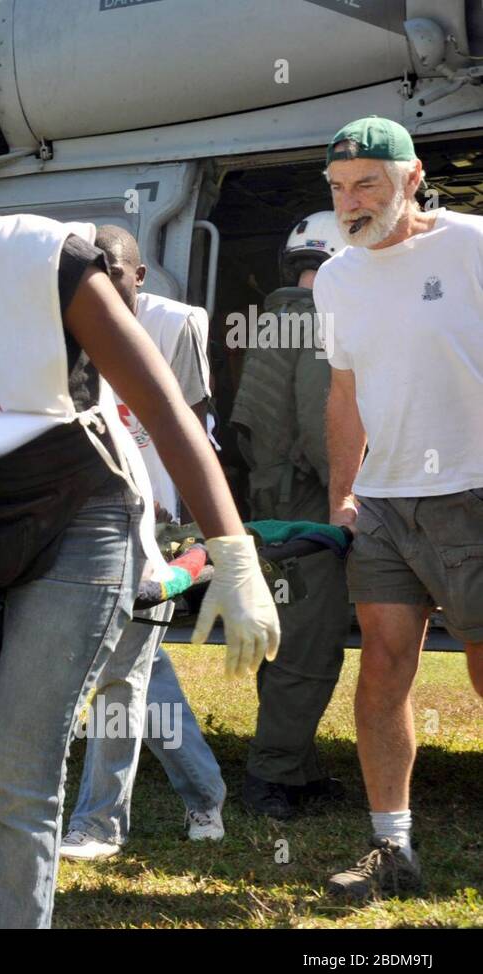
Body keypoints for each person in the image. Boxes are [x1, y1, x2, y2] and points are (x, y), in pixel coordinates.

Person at [0, 81, 279, 928]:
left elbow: (169, 411)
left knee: (16, 774)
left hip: (81, 529)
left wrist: (235, 555)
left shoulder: (45, 258)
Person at [316, 116, 483, 902]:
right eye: (340, 188)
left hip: (474, 489)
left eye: (367, 185)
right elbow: (345, 391)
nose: (351, 204)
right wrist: (341, 494)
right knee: (382, 667)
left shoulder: (471, 245)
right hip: (385, 502)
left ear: (412, 178)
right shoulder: (337, 277)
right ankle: (393, 849)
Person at [60, 225, 227, 860]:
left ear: (142, 276)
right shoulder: (66, 319)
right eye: (92, 275)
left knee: (122, 675)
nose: (103, 286)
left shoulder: (175, 325)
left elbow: (194, 430)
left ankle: (100, 823)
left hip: (156, 532)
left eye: (117, 275)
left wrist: (196, 529)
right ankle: (205, 794)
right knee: (137, 671)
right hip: (94, 515)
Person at [230, 211, 350, 820]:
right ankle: (271, 777)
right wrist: (346, 502)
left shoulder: (274, 320)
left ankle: (296, 770)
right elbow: (322, 426)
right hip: (309, 511)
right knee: (310, 647)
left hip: (271, 502)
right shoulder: (321, 323)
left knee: (286, 640)